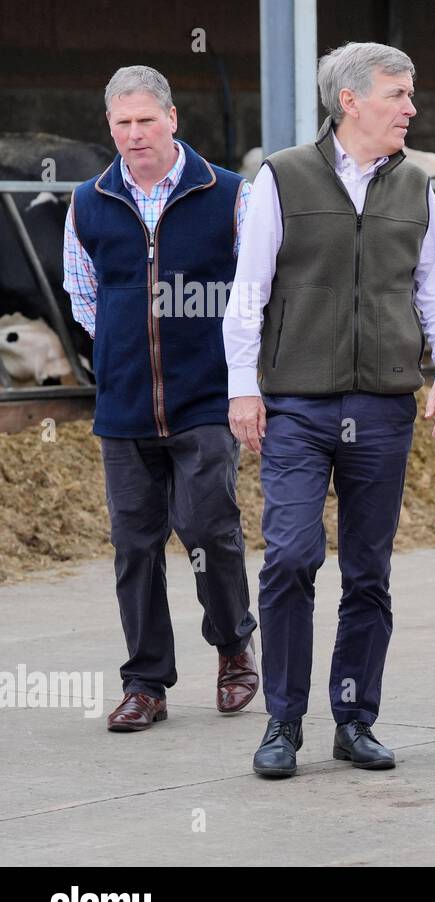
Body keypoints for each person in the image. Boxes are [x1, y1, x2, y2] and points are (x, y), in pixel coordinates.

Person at [222, 42, 435, 778]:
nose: (411, 108)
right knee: (293, 555)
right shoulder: (283, 178)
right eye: (398, 94)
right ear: (351, 102)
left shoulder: (417, 187)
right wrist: (243, 385)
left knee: (368, 571)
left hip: (385, 406)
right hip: (296, 404)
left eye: (411, 93)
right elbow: (248, 292)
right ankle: (284, 721)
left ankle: (355, 720)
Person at [64, 65, 259, 732]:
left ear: (173, 119)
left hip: (205, 399)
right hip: (123, 411)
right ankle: (146, 682)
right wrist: (124, 353)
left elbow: (256, 292)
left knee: (209, 529)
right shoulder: (89, 201)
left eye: (147, 120)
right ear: (109, 128)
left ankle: (233, 645)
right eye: (122, 123)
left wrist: (243, 381)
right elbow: (85, 299)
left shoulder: (228, 194)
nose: (135, 134)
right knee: (134, 546)